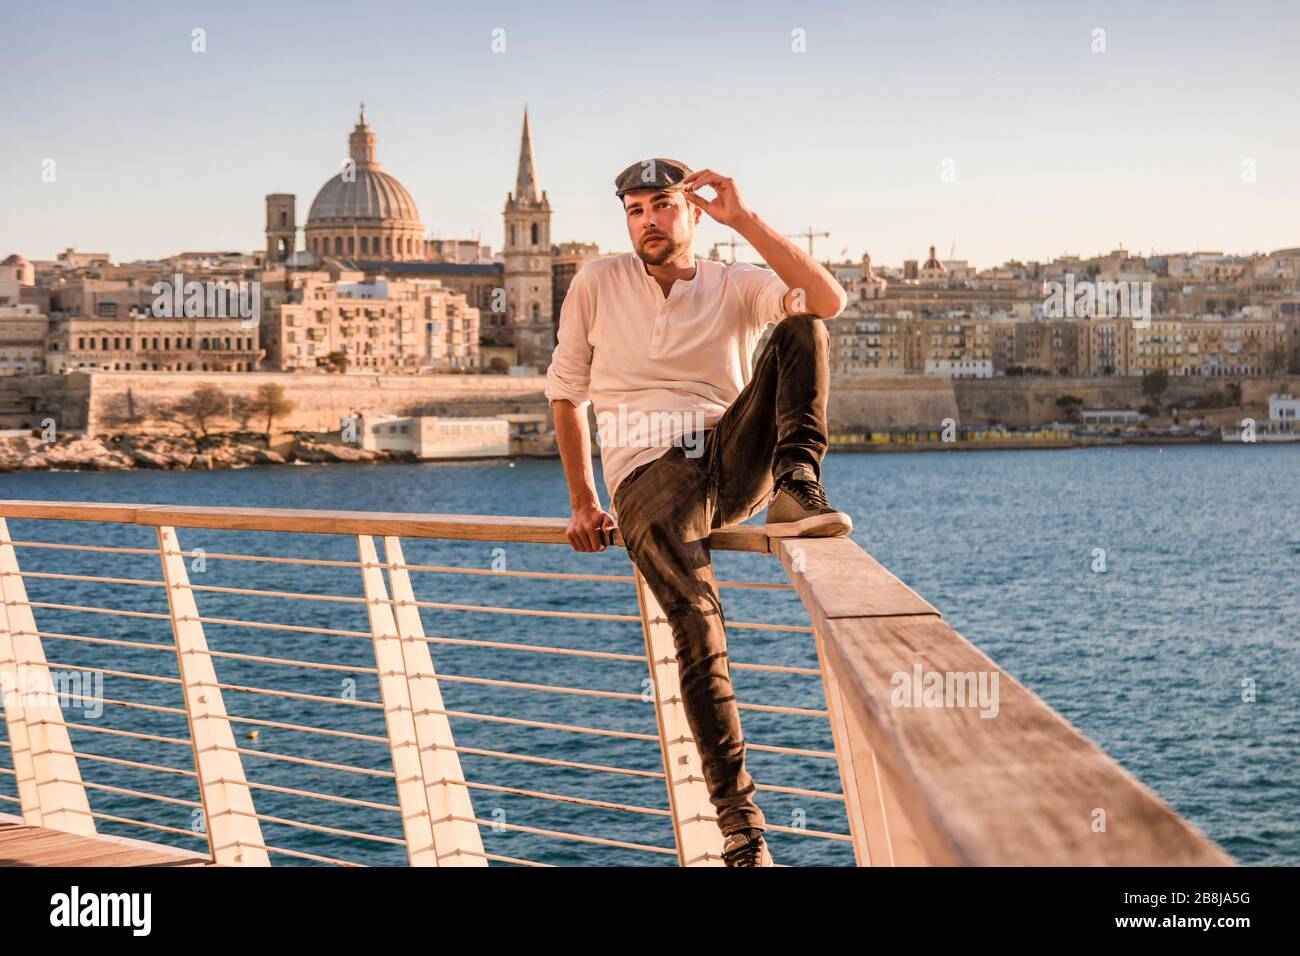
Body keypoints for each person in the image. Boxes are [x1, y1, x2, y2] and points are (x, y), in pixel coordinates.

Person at [543, 157, 852, 867]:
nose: (648, 220)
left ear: (692, 211)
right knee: (698, 622)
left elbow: (827, 301)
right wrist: (584, 500)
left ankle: (797, 484)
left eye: (662, 205)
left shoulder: (730, 283)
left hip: (728, 450)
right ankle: (741, 830)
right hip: (648, 474)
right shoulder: (597, 281)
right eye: (635, 210)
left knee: (805, 325)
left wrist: (744, 219)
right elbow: (567, 394)